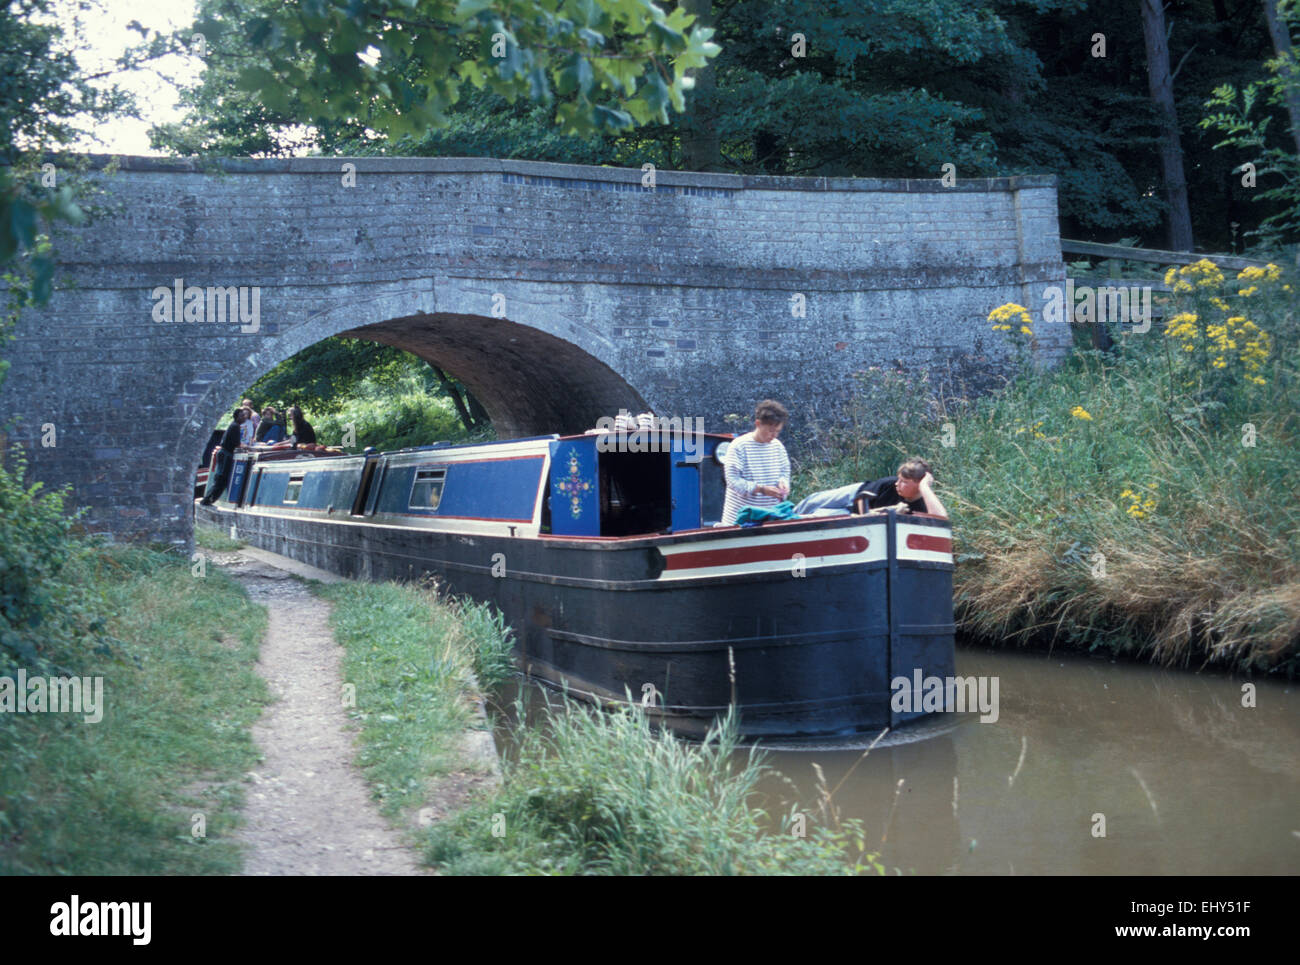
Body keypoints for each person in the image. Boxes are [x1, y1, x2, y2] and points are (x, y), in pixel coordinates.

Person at [792, 457, 948, 519]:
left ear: (918, 484)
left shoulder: (919, 506)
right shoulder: (889, 484)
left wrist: (925, 487)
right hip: (855, 494)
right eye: (898, 479)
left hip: (855, 516)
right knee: (813, 502)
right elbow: (863, 499)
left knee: (817, 516)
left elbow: (941, 518)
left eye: (904, 482)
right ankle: (787, 513)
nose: (897, 484)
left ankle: (788, 520)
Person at [722, 399, 791, 525]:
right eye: (770, 431)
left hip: (770, 518)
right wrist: (761, 489)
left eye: (778, 431)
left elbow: (784, 472)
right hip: (740, 521)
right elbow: (732, 481)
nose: (774, 435)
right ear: (758, 424)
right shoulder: (738, 446)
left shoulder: (778, 446)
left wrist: (783, 483)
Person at [199, 407, 248, 505]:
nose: (244, 417)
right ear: (237, 417)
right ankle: (207, 501)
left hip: (225, 453)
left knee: (221, 479)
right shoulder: (235, 426)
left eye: (244, 415)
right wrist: (248, 447)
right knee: (221, 479)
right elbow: (236, 443)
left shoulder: (234, 425)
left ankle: (209, 500)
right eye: (242, 416)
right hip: (226, 455)